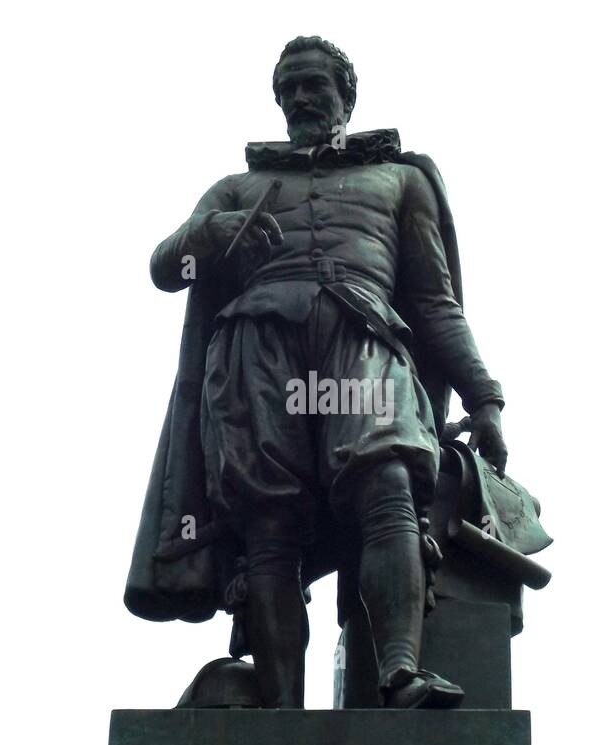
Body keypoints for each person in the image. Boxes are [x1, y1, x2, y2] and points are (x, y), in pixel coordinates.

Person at [131, 36, 508, 709]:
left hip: (360, 336)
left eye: (315, 85)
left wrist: (484, 398)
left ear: (345, 96)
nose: (302, 97)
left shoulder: (401, 180)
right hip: (257, 349)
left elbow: (433, 302)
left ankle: (399, 671)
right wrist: (205, 237)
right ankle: (277, 701)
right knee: (268, 524)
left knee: (388, 475)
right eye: (290, 88)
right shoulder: (236, 188)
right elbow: (167, 269)